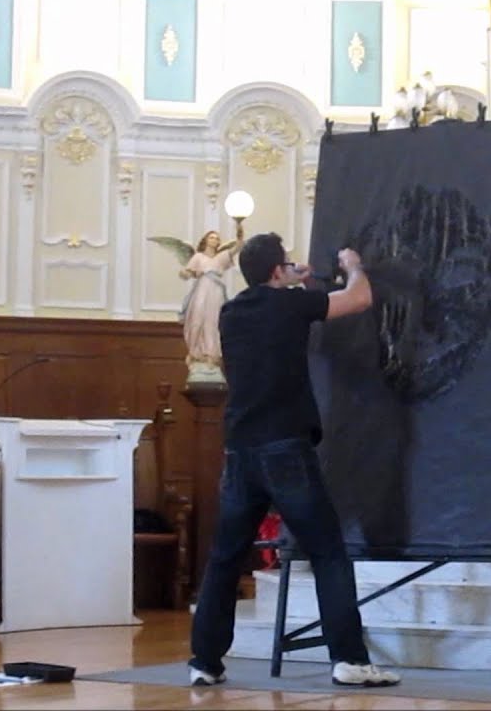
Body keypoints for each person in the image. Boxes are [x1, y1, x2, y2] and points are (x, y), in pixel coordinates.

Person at [188, 232, 401, 688]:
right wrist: (352, 264)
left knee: (225, 558)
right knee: (327, 553)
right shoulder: (288, 307)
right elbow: (359, 298)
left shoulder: (232, 312)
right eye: (286, 263)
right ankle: (349, 660)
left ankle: (204, 662)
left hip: (239, 450)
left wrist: (296, 281)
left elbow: (285, 316)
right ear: (277, 271)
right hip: (285, 449)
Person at [179, 230, 238, 375]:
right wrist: (186, 273)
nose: (214, 240)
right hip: (201, 290)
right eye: (211, 237)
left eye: (217, 238)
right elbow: (187, 273)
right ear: (205, 240)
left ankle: (212, 354)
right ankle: (195, 352)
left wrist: (239, 227)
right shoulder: (198, 257)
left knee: (213, 321)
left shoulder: (221, 258)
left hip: (215, 292)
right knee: (197, 318)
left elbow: (238, 247)